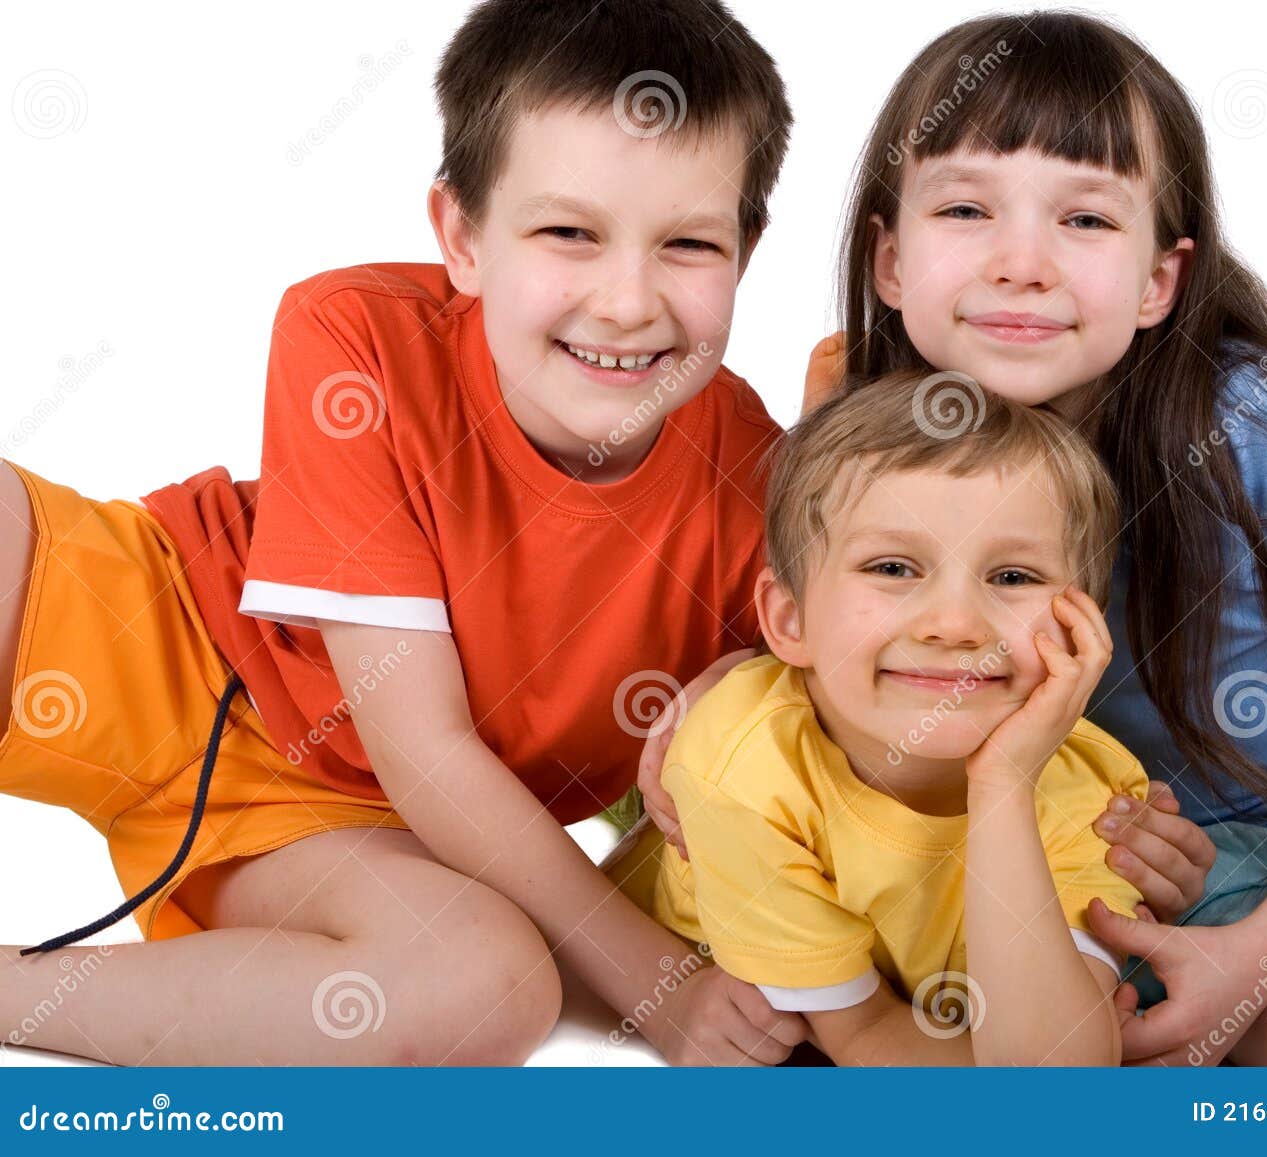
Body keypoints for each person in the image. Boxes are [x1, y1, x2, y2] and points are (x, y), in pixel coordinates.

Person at [652, 9, 1267, 1066]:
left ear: (1161, 278)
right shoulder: (855, 430)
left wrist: (1262, 958)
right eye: (966, 207)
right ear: (888, 259)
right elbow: (834, 633)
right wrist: (714, 691)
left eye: (1087, 222)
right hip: (1200, 867)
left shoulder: (1242, 421)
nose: (1021, 263)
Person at [0, 0, 809, 1066]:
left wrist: (737, 683)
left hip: (343, 837)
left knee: (484, 986)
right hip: (141, 630)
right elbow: (421, 737)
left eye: (689, 244)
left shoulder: (766, 483)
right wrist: (661, 991)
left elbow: (801, 720)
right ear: (463, 237)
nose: (626, 300)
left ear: (746, 251)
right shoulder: (356, 333)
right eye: (568, 232)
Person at [609, 369, 1145, 1064]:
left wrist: (1003, 785)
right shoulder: (741, 762)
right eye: (893, 567)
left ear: (1081, 629)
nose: (954, 624)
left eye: (1012, 577)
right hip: (716, 1013)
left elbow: (1047, 1082)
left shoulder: (1094, 790)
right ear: (789, 619)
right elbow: (862, 1034)